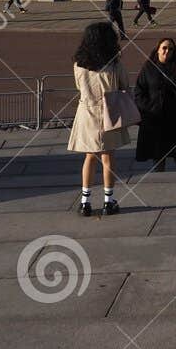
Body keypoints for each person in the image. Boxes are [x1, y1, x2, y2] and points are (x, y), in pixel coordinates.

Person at [69, 21, 131, 215]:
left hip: (87, 112)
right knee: (108, 157)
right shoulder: (114, 64)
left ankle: (85, 202)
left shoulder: (79, 64)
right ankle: (108, 201)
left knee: (90, 156)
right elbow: (125, 84)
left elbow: (79, 87)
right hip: (108, 112)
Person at [134, 37, 176, 172]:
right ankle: (159, 181)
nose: (167, 51)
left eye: (171, 49)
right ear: (158, 50)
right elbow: (139, 91)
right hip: (155, 119)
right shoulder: (148, 67)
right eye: (164, 48)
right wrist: (149, 107)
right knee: (158, 157)